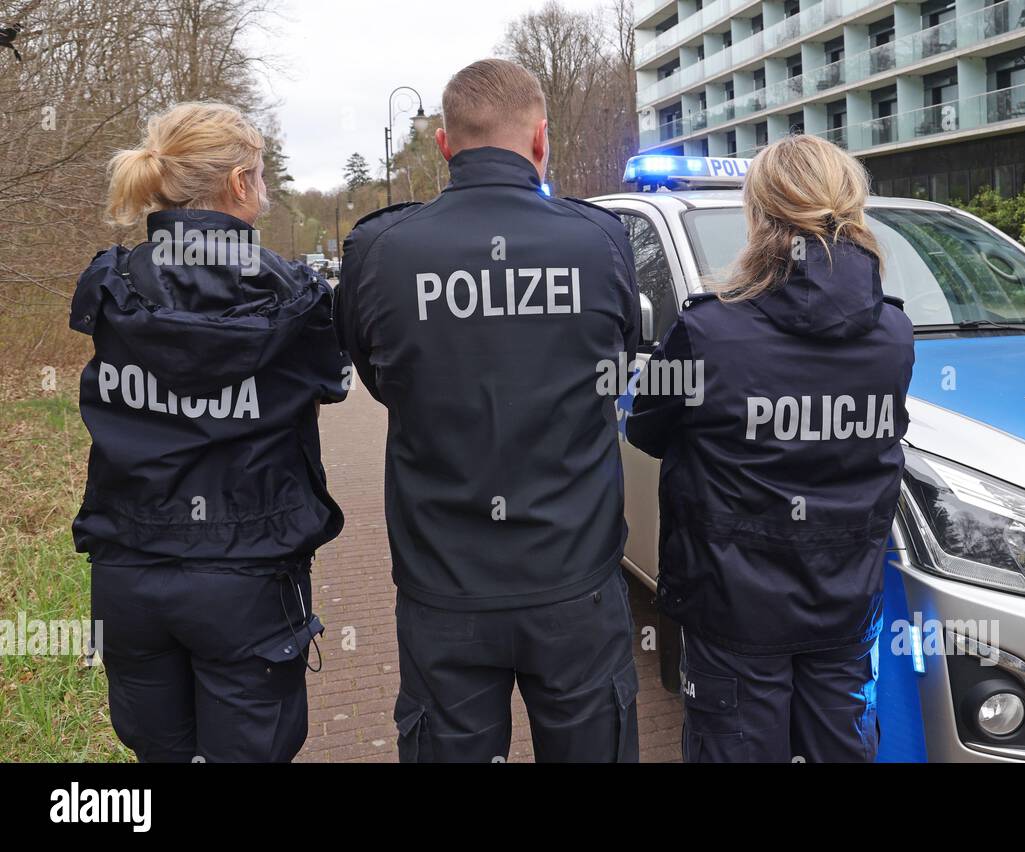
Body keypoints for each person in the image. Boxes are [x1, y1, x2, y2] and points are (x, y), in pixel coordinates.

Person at [334, 59, 641, 763]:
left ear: (444, 145)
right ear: (541, 140)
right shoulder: (599, 242)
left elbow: (380, 378)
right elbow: (616, 363)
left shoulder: (379, 250)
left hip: (444, 585)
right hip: (575, 583)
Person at [72, 102, 349, 762]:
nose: (266, 188)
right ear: (238, 183)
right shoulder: (295, 293)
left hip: (128, 570)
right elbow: (331, 383)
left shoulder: (110, 285)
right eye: (262, 174)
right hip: (246, 577)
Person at [626, 135, 914, 763]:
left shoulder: (708, 330)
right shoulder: (893, 332)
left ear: (759, 219)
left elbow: (643, 428)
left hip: (735, 611)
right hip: (844, 606)